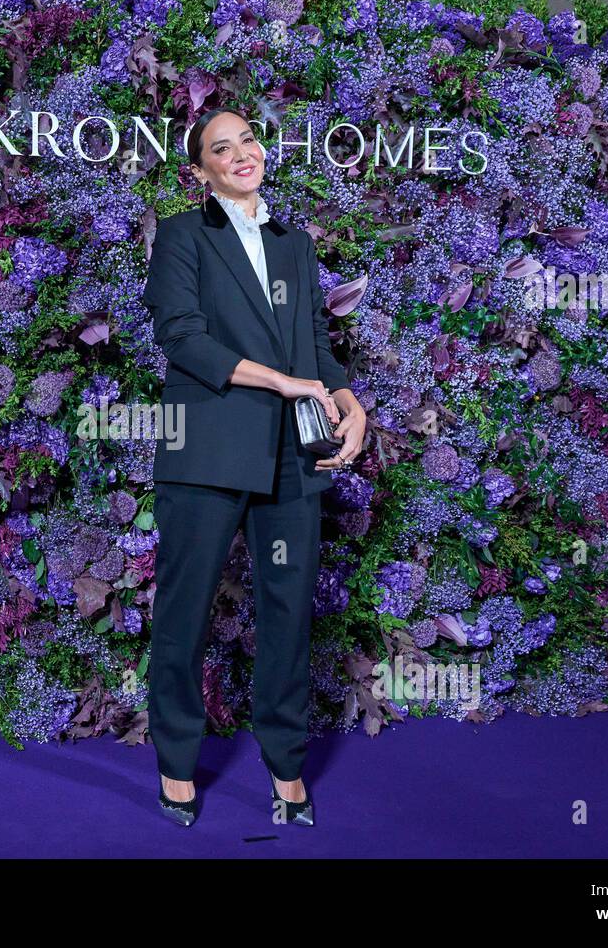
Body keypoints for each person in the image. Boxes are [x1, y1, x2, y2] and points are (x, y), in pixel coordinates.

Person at [141, 107, 367, 827]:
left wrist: (346, 399)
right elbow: (183, 339)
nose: (240, 154)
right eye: (220, 147)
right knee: (184, 614)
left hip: (291, 455)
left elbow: (314, 346)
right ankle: (177, 762)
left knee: (289, 614)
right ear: (200, 169)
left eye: (247, 140)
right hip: (207, 451)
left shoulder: (293, 243)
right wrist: (284, 383)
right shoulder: (182, 236)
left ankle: (286, 765)